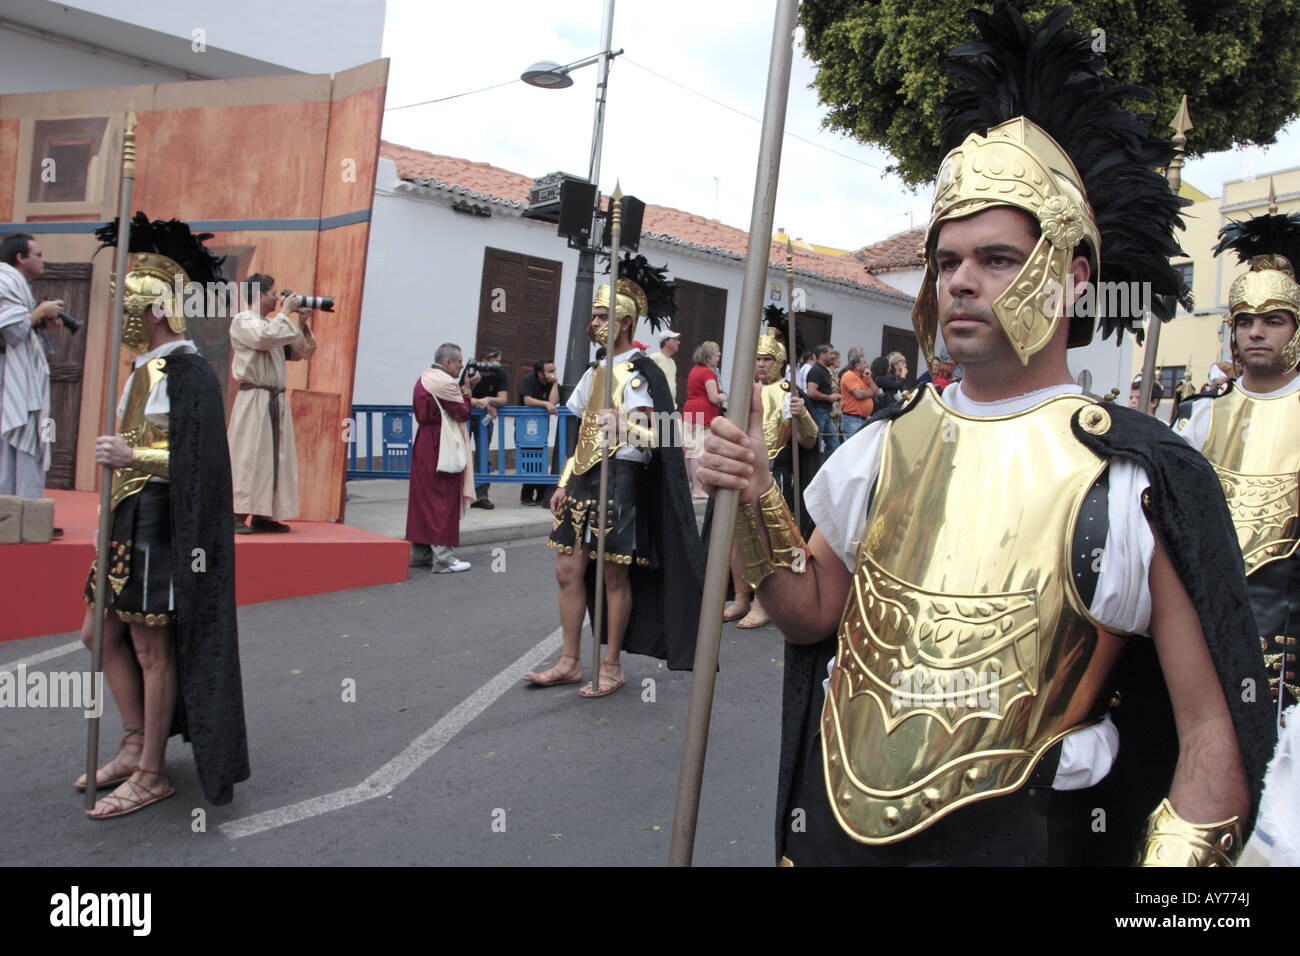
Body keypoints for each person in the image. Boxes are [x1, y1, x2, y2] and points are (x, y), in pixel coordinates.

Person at [700, 2, 1272, 867]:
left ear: (1073, 279)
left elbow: (1210, 742)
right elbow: (810, 612)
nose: (963, 281)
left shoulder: (1135, 478)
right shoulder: (883, 448)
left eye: (997, 259)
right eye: (948, 260)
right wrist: (753, 500)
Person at [78, 213, 248, 817]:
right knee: (97, 634)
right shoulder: (141, 370)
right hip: (123, 519)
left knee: (154, 650)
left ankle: (152, 771)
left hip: (158, 521)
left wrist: (133, 453)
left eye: (130, 302)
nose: (122, 311)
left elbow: (202, 464)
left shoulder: (189, 370)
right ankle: (133, 739)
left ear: (155, 309)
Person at [526, 256, 704, 697]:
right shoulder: (593, 371)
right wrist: (564, 480)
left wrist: (626, 427)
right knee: (567, 570)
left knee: (612, 576)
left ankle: (610, 664)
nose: (595, 322)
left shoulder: (644, 371)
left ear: (624, 321)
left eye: (603, 315)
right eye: (594, 314)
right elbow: (582, 430)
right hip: (585, 476)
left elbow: (663, 435)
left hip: (622, 476)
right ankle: (569, 661)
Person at [1175, 209, 1300, 715]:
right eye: (1245, 320)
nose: (1256, 332)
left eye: (1273, 320)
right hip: (1211, 629)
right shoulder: (1201, 416)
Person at [721, 317, 818, 629]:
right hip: (743, 469)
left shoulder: (789, 392)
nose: (761, 365)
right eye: (758, 359)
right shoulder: (744, 390)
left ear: (779, 362)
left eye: (767, 359)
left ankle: (764, 602)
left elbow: (809, 439)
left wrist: (801, 416)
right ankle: (740, 597)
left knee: (766, 540)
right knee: (737, 537)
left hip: (776, 473)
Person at [228, 273, 316, 534]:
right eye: (273, 293)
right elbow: (263, 339)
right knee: (250, 456)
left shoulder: (273, 324)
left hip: (275, 399)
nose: (278, 298)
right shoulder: (243, 321)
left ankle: (264, 514)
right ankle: (236, 513)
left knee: (276, 458)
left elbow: (302, 352)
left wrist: (301, 322)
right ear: (259, 295)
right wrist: (285, 315)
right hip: (254, 398)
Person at [0, 233, 62, 499]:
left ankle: (27, 508)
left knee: (27, 440)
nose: (43, 259)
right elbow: (12, 332)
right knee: (11, 444)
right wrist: (40, 312)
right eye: (37, 254)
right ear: (20, 258)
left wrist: (39, 322)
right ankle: (14, 510)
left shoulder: (17, 285)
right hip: (8, 380)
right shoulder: (4, 280)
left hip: (20, 380)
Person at [406, 343, 476, 573]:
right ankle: (444, 559)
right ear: (447, 363)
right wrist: (467, 391)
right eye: (458, 362)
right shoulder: (445, 383)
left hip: (424, 442)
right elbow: (463, 412)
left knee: (423, 499)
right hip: (441, 444)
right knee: (442, 500)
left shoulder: (425, 377)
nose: (460, 366)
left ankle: (421, 553)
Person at [682, 340, 725, 497]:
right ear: (708, 357)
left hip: (690, 411)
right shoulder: (708, 372)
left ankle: (688, 486)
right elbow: (714, 397)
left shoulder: (695, 369)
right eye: (716, 354)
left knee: (688, 451)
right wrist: (724, 396)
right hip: (702, 413)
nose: (719, 356)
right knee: (698, 452)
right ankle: (698, 488)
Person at [470, 346, 509, 510]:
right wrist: (482, 403)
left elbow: (503, 399)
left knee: (483, 454)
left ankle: (481, 495)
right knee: (460, 454)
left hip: (484, 420)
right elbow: (460, 395)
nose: (498, 365)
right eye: (495, 361)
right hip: (465, 416)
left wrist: (488, 400)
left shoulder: (500, 373)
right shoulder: (472, 370)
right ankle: (461, 494)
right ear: (484, 361)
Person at [518, 357, 559, 506]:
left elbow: (554, 401)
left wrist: (554, 383)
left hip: (541, 429)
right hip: (525, 427)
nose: (554, 373)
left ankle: (539, 495)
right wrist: (545, 404)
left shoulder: (551, 384)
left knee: (540, 460)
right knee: (529, 460)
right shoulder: (529, 380)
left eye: (554, 370)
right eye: (550, 371)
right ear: (541, 374)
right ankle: (528, 495)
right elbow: (527, 400)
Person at [804, 344, 841, 458]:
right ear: (822, 355)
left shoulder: (824, 371)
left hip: (825, 412)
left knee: (833, 443)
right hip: (818, 411)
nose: (833, 356)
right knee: (817, 443)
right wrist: (829, 397)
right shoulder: (816, 371)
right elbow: (811, 392)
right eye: (830, 353)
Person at [838, 348, 876, 441]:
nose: (867, 365)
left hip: (864, 419)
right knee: (853, 447)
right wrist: (871, 393)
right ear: (857, 365)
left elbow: (876, 391)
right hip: (852, 419)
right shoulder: (849, 375)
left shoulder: (864, 376)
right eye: (864, 362)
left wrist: (869, 379)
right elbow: (858, 394)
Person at [651, 328, 681, 404]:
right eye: (675, 339)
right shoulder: (654, 358)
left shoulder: (672, 362)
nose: (678, 342)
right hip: (657, 404)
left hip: (670, 405)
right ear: (666, 342)